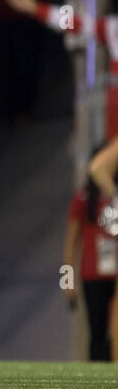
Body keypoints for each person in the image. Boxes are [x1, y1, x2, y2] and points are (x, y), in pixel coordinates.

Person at [78, 141, 118, 361]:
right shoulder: (83, 199)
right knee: (98, 331)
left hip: (113, 272)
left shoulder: (110, 198)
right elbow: (71, 243)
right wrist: (66, 282)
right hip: (92, 275)